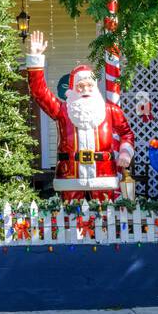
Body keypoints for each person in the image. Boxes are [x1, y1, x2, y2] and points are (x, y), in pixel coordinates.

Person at [25, 30, 135, 201]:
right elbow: (39, 93)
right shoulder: (62, 110)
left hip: (103, 175)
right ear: (72, 89)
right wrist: (35, 59)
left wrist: (125, 153)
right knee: (70, 218)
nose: (85, 90)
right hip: (70, 176)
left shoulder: (110, 111)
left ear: (95, 87)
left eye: (89, 86)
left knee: (104, 220)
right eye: (80, 86)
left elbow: (126, 133)